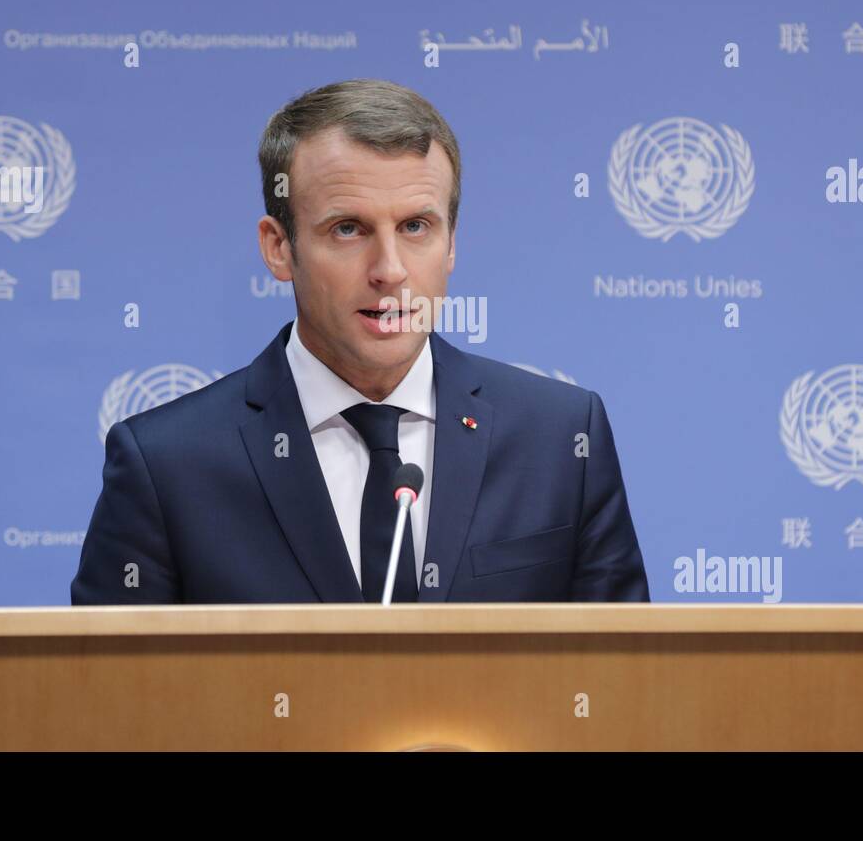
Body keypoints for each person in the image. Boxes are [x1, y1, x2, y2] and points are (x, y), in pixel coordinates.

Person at [71, 78, 649, 604]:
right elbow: (112, 705)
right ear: (278, 248)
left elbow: (625, 688)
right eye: (348, 229)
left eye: (416, 227)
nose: (390, 270)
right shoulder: (168, 466)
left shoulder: (561, 439)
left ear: (452, 245)